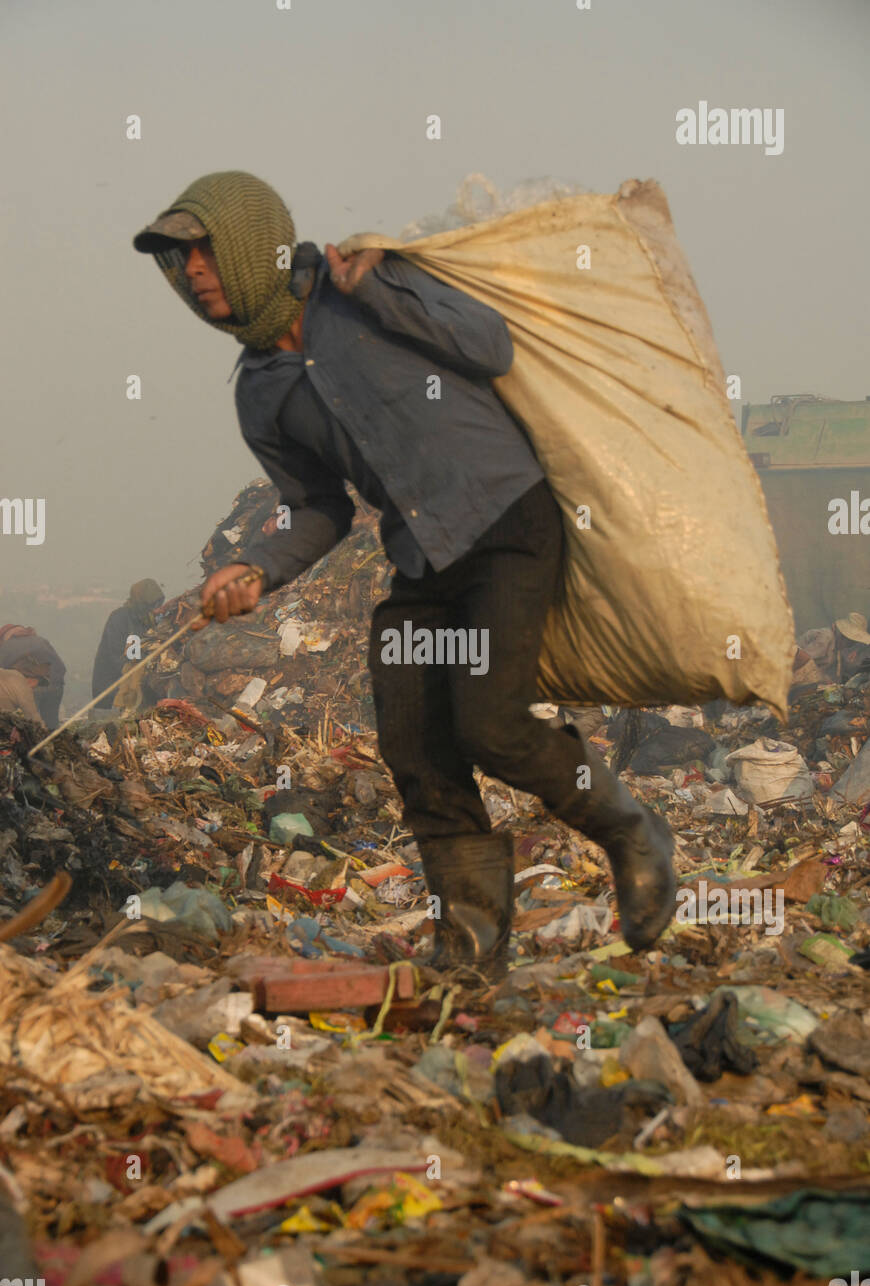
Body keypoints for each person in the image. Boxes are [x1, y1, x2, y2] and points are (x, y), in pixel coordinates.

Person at [133, 171, 676, 979]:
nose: (192, 274)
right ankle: (471, 947)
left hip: (505, 522)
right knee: (415, 744)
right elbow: (316, 507)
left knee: (490, 725)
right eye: (177, 263)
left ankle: (630, 827)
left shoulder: (362, 286)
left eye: (202, 251)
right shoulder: (259, 392)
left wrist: (382, 290)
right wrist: (257, 567)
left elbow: (489, 345)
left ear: (251, 240)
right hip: (421, 559)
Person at [92, 578, 165, 700]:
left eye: (158, 605)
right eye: (152, 605)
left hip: (137, 685)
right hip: (111, 686)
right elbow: (117, 655)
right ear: (142, 604)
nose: (157, 610)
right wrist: (140, 674)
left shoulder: (148, 622)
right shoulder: (120, 619)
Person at [0, 624, 65, 729]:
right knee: (51, 724)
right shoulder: (41, 641)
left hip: (31, 688)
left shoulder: (6, 647)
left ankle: (37, 744)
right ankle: (53, 742)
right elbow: (60, 667)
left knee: (32, 725)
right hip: (56, 686)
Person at [0, 655, 49, 724]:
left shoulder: (8, 675)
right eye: (37, 684)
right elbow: (33, 718)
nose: (33, 689)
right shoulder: (20, 681)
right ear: (33, 680)